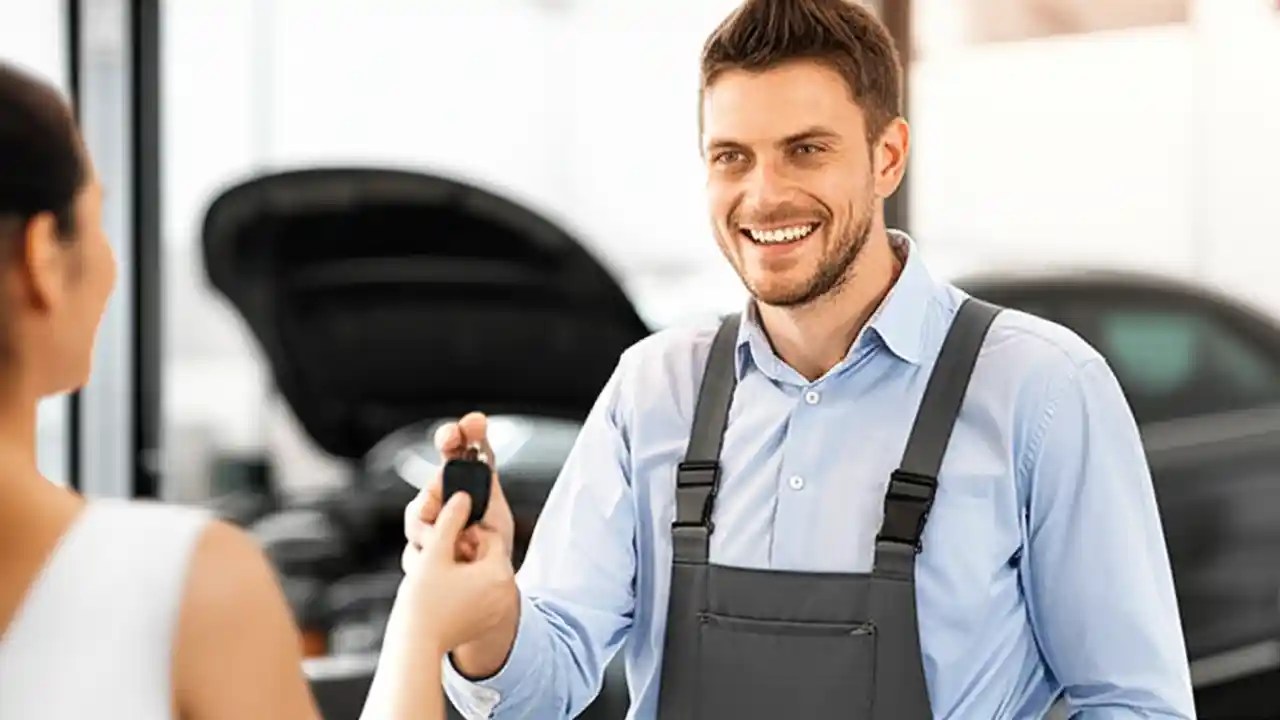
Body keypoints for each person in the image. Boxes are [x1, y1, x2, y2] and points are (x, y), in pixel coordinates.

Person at [401, 0, 1198, 718]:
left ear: (887, 156)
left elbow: (1135, 704)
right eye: (732, 156)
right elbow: (539, 691)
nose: (763, 195)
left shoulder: (1043, 392)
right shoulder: (652, 393)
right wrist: (487, 612)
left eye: (805, 150)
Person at [0, 59, 504, 720]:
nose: (112, 264)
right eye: (97, 219)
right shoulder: (180, 585)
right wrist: (422, 629)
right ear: (41, 256)